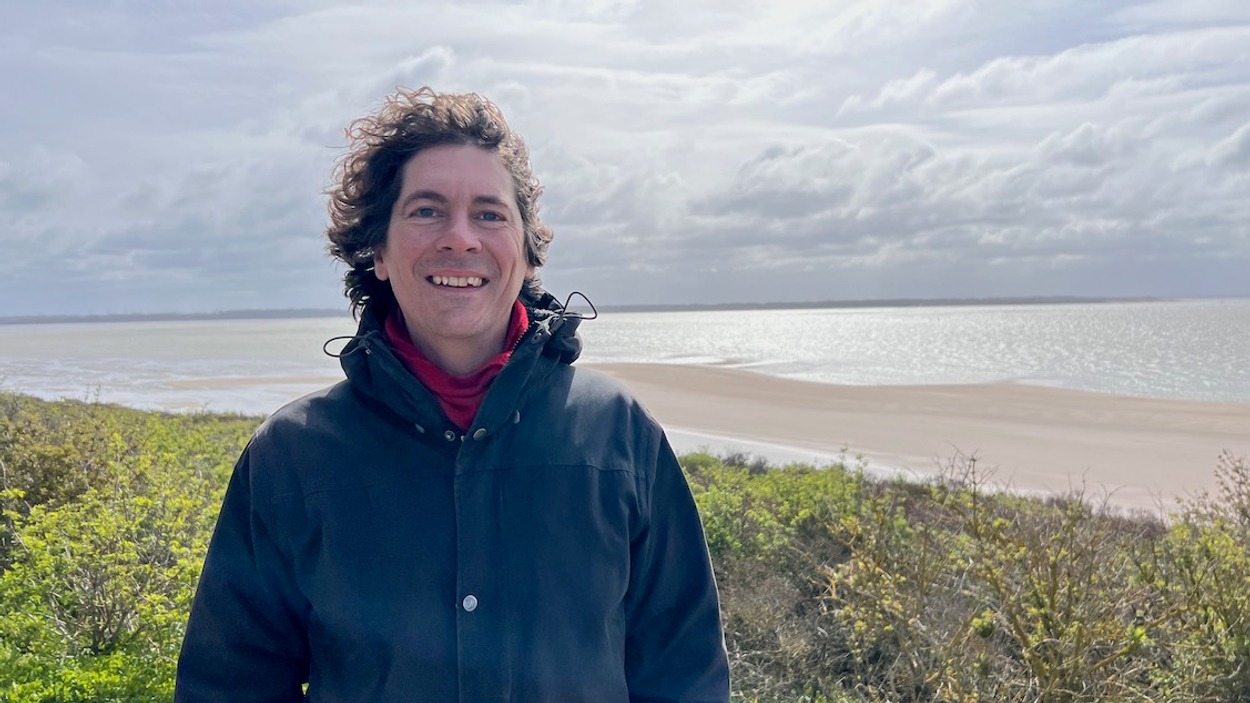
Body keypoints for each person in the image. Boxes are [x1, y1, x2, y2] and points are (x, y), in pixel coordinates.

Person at [174, 87, 730, 702]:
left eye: (490, 214)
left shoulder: (619, 434)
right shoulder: (292, 456)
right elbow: (230, 686)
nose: (461, 238)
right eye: (426, 211)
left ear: (525, 252)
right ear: (378, 251)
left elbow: (685, 674)